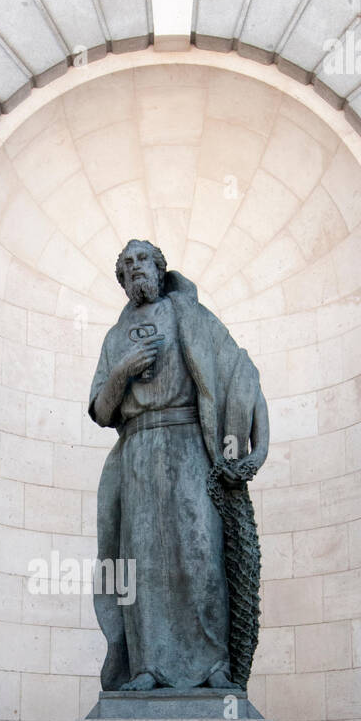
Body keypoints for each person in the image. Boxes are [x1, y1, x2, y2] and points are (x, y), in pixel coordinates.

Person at [89, 239, 269, 692]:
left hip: (190, 446)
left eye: (142, 261)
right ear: (122, 278)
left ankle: (213, 667)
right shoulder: (114, 338)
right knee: (142, 563)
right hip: (138, 454)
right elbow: (102, 411)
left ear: (159, 268)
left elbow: (240, 373)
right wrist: (121, 372)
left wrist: (257, 449)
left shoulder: (191, 316)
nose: (135, 270)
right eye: (126, 265)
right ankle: (146, 667)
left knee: (201, 554)